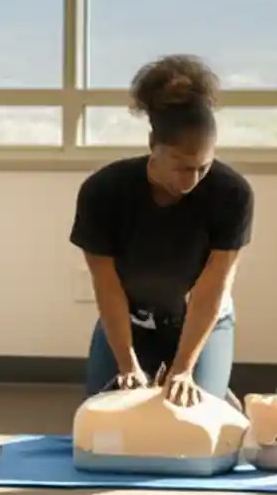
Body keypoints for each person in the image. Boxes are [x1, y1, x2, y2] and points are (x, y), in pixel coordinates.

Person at [69, 55, 254, 406]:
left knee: (192, 415)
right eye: (181, 166)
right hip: (131, 321)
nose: (193, 179)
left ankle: (219, 396)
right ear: (154, 145)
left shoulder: (232, 194)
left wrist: (184, 369)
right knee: (107, 412)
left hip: (202, 322)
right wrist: (127, 365)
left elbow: (210, 292)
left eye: (203, 166)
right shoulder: (103, 191)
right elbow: (107, 288)